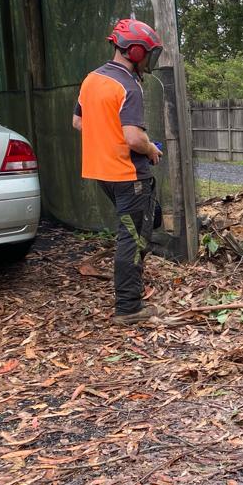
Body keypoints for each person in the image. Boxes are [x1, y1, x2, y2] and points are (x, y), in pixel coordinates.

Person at [73, 19, 164, 324]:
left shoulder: (91, 80)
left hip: (104, 175)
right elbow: (134, 138)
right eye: (148, 53)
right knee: (133, 239)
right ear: (136, 51)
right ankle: (129, 307)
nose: (148, 60)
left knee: (141, 224)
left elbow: (79, 122)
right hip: (129, 177)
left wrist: (107, 136)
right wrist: (151, 149)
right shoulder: (128, 85)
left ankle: (132, 289)